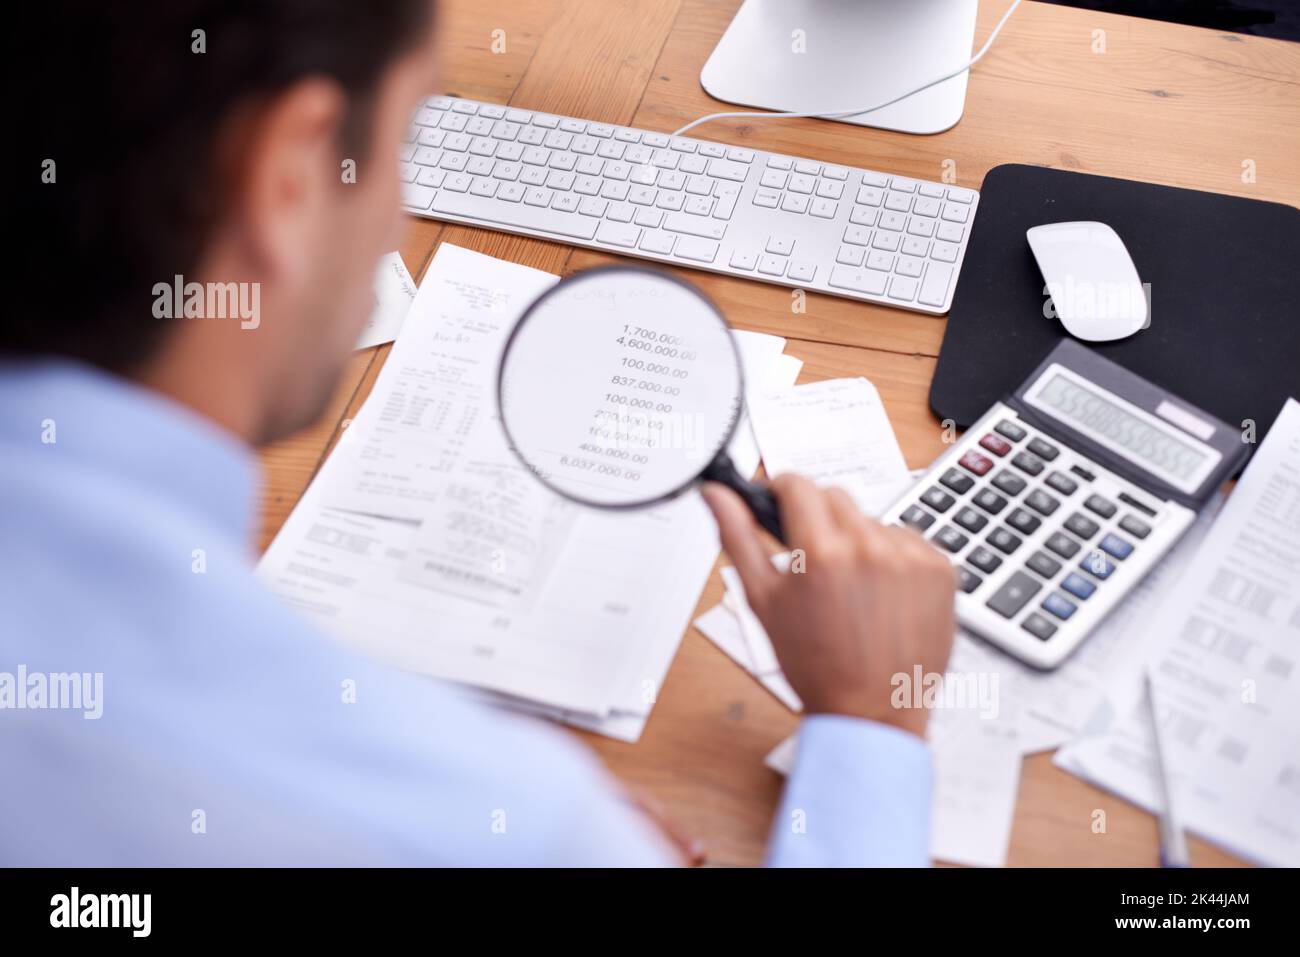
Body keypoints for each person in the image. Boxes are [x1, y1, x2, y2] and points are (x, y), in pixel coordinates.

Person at [2, 0, 956, 866]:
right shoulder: (501, 822)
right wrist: (870, 734)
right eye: (407, 139)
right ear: (289, 176)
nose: (398, 219)